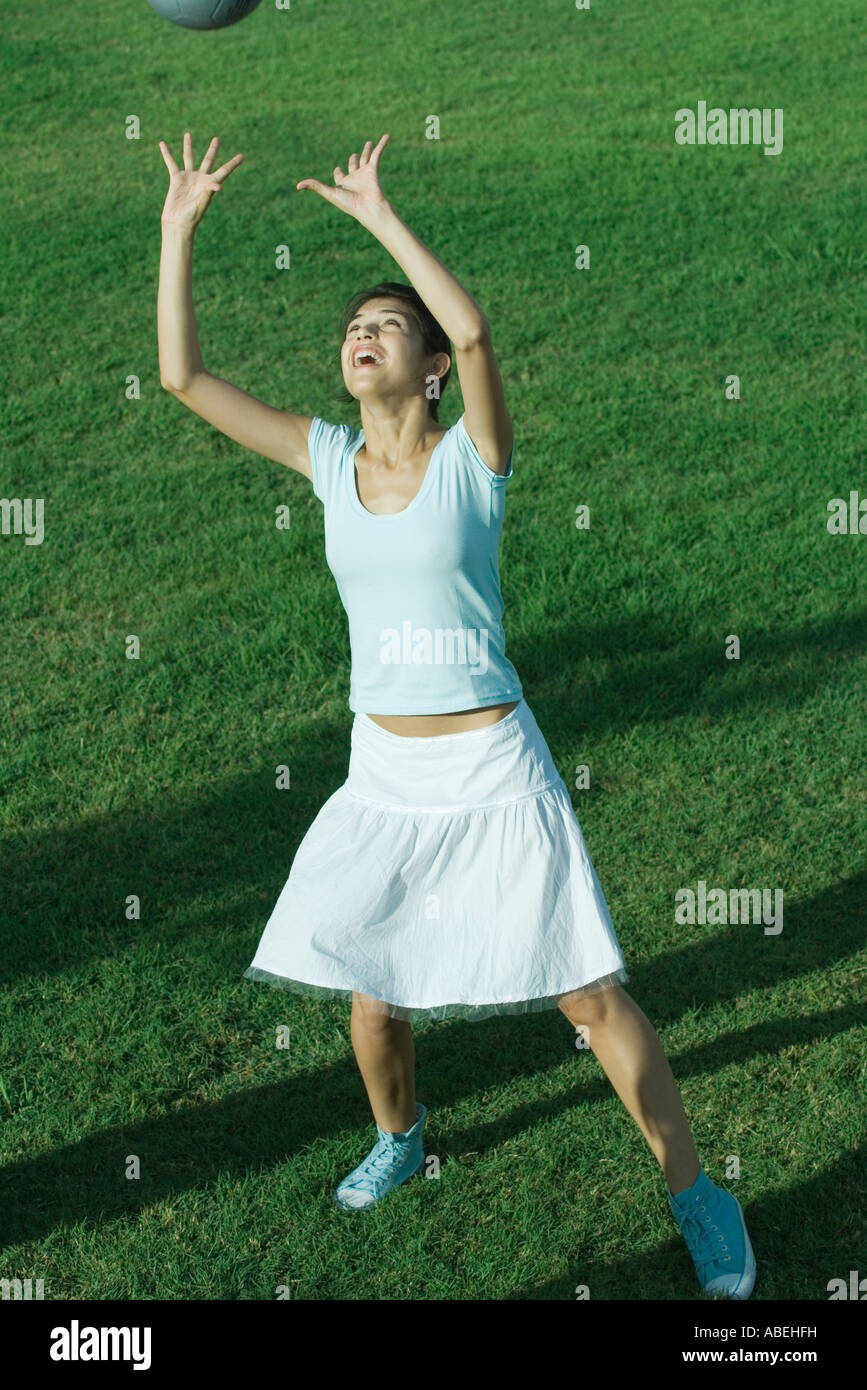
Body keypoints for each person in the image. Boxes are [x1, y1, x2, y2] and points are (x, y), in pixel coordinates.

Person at [156, 131, 756, 1299]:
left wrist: (381, 219)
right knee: (374, 1000)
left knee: (586, 993)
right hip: (383, 774)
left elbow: (477, 331)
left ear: (428, 368)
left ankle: (699, 1194)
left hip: (490, 763)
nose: (360, 333)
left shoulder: (476, 460)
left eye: (386, 325)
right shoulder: (329, 462)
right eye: (351, 328)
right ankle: (402, 1137)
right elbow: (183, 379)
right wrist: (179, 227)